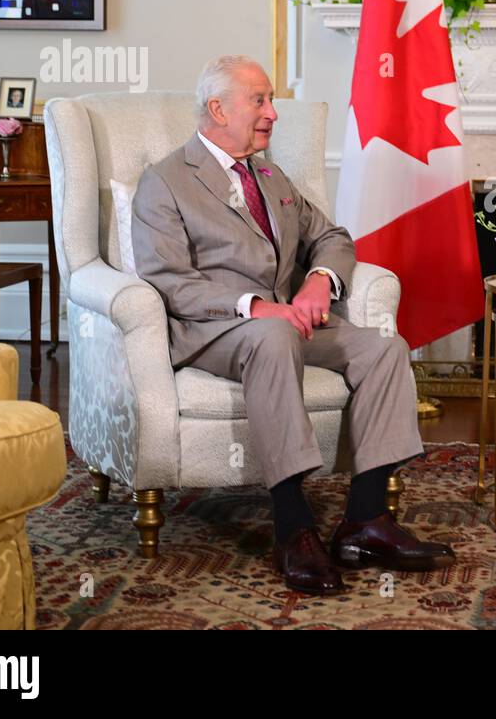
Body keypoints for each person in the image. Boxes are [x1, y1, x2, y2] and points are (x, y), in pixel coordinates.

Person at [131, 55, 453, 596]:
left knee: (385, 348)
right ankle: (293, 527)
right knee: (275, 334)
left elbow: (333, 237)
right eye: (259, 100)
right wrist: (256, 307)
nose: (273, 113)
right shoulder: (164, 182)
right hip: (214, 329)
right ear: (217, 108)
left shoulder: (269, 173)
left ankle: (365, 522)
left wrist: (319, 282)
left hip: (288, 322)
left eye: (271, 100)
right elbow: (168, 280)